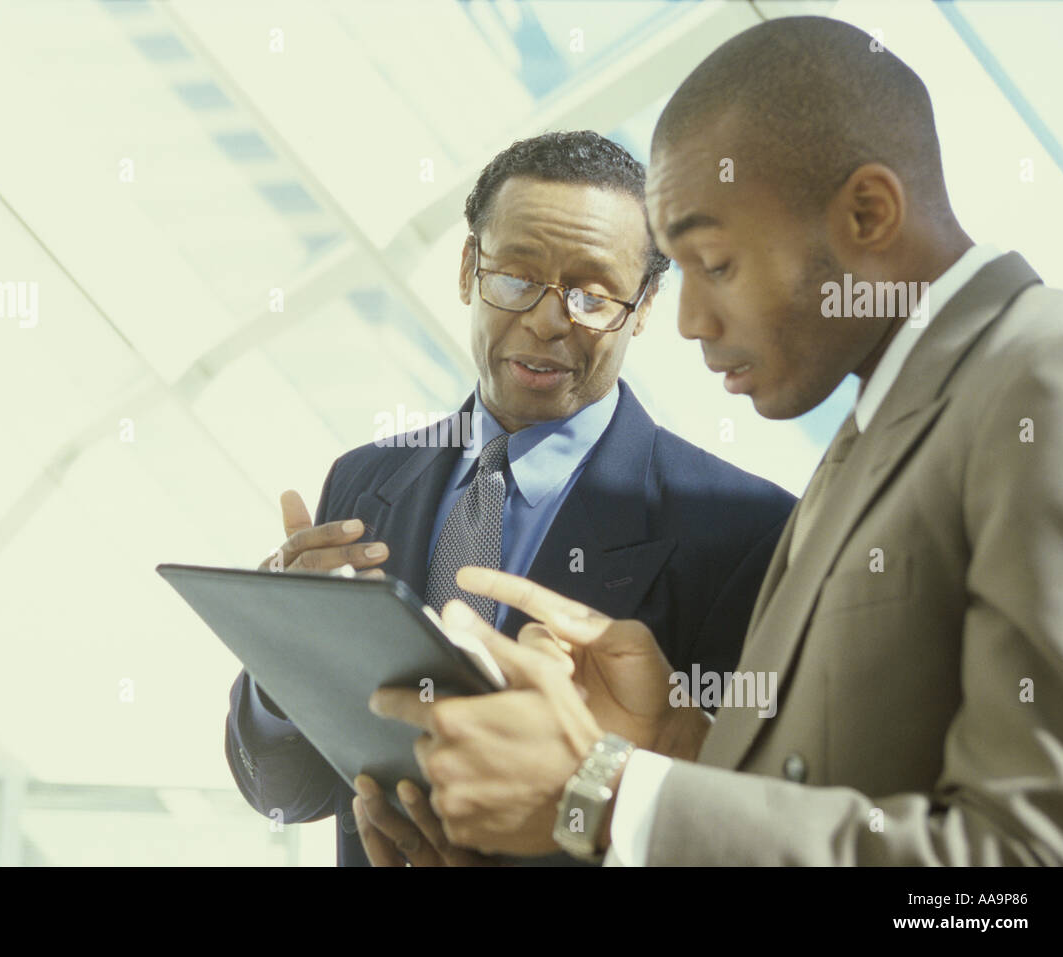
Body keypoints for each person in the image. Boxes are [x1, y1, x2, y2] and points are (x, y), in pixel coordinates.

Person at [369, 16, 1063, 865]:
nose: (693, 322)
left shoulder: (1047, 380)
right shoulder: (876, 432)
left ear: (868, 212)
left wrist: (608, 799)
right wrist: (672, 740)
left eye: (716, 263)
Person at [224, 131, 795, 866]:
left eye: (592, 295)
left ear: (645, 305)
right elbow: (289, 793)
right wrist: (283, 661)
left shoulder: (745, 531)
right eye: (516, 278)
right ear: (468, 269)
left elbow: (746, 829)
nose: (549, 320)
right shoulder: (363, 479)